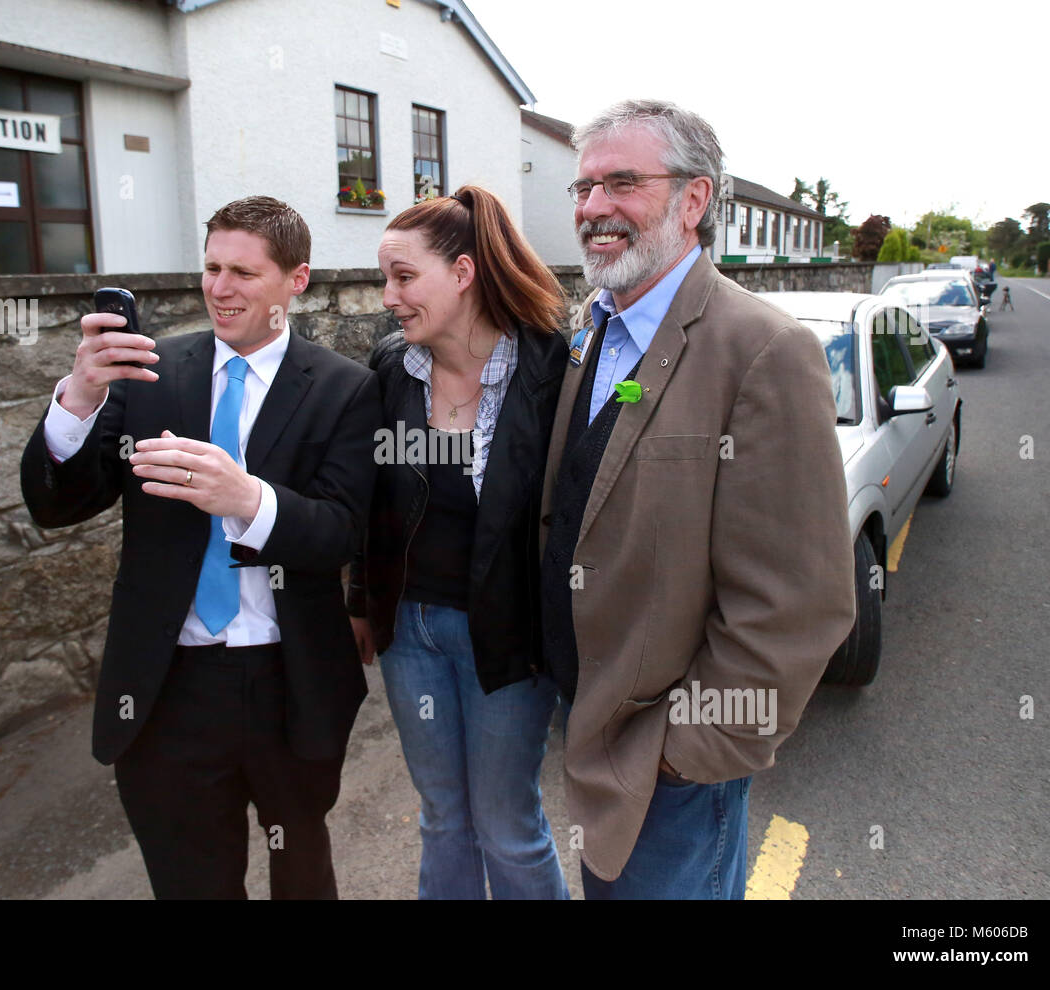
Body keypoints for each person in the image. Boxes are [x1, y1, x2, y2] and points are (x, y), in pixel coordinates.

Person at [20, 196, 380, 899]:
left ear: (296, 280)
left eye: (243, 271)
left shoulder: (346, 387)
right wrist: (80, 397)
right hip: (167, 688)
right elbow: (58, 503)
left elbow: (341, 529)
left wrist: (247, 501)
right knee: (191, 883)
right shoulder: (151, 371)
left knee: (302, 870)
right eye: (212, 267)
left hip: (291, 681)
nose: (219, 288)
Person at [539, 99, 855, 899]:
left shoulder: (765, 350)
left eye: (621, 184)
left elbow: (800, 601)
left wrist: (689, 749)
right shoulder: (592, 329)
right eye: (582, 189)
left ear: (694, 200)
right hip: (592, 738)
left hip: (672, 767)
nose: (593, 208)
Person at [346, 185, 571, 899]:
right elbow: (373, 504)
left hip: (507, 636)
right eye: (387, 278)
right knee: (444, 818)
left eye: (404, 277)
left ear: (465, 273)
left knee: (506, 824)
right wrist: (361, 602)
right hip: (411, 633)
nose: (388, 295)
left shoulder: (552, 367)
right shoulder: (392, 369)